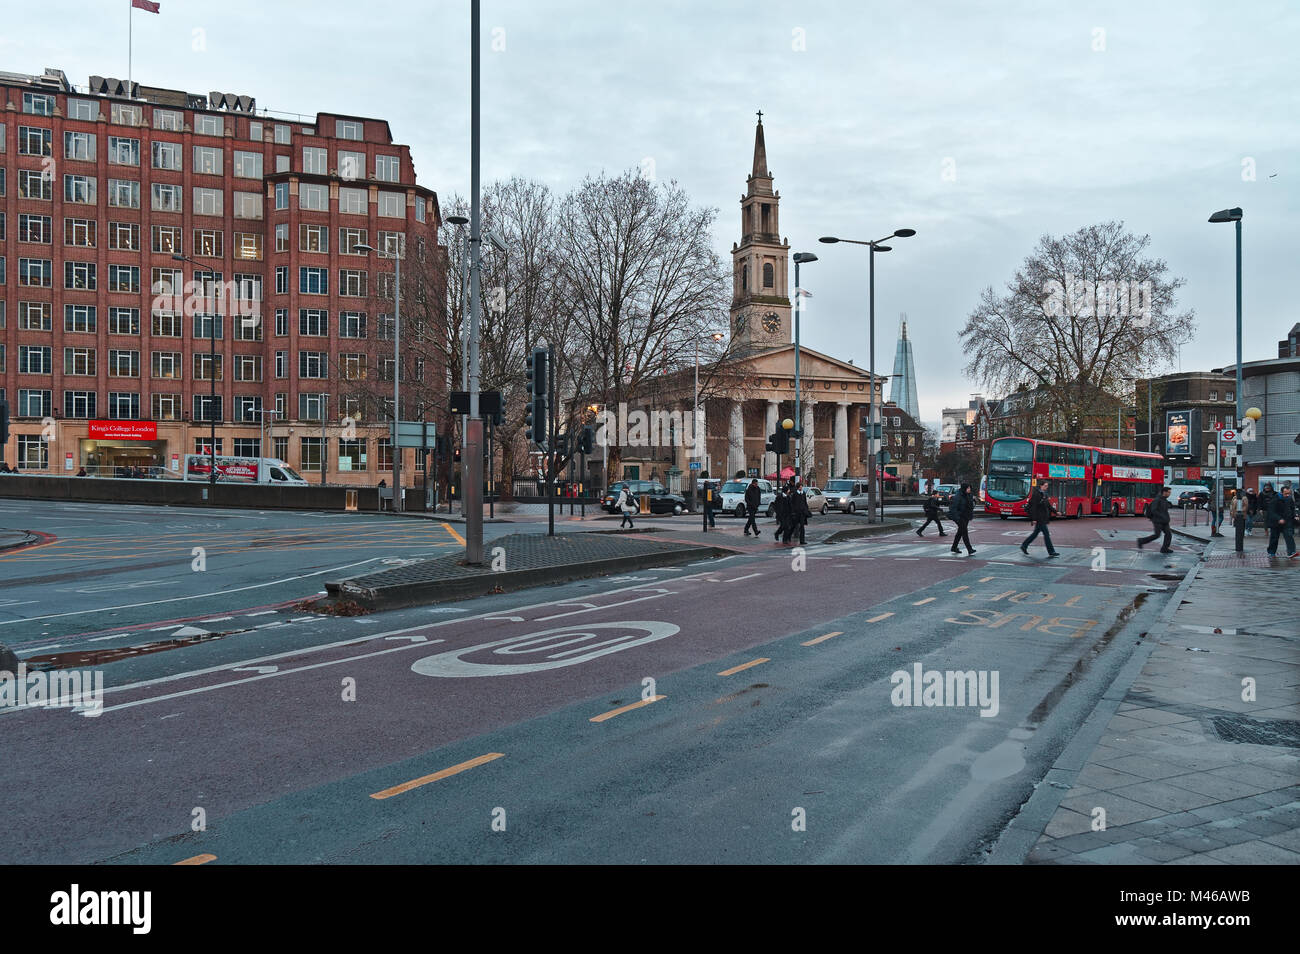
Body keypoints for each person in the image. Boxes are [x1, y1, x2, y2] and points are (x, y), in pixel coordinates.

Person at [1020, 481, 1059, 557]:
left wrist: (1056, 512)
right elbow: (1033, 507)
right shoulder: (1036, 494)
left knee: (1035, 534)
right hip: (1039, 518)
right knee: (1046, 534)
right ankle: (1051, 551)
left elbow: (1048, 505)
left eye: (1047, 486)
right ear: (1041, 486)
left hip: (1042, 517)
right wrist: (1034, 519)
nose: (1046, 487)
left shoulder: (1044, 494)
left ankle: (1024, 546)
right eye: (1045, 486)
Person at [1137, 485, 1174, 553]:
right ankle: (1141, 541)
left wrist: (1166, 518)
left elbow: (1164, 511)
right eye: (1169, 492)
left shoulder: (1165, 500)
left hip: (1164, 521)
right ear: (1164, 492)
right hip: (1157, 521)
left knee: (1168, 534)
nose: (1169, 494)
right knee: (1157, 535)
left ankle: (1164, 548)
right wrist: (1162, 516)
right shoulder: (1157, 500)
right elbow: (1154, 510)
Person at [1265, 484, 1297, 558]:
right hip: (1276, 522)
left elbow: (1292, 508)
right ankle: (1271, 552)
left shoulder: (1289, 499)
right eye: (1286, 493)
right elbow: (1271, 511)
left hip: (1287, 521)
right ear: (1281, 492)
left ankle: (1291, 552)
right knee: (1274, 538)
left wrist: (1295, 515)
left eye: (1289, 493)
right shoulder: (1274, 499)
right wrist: (1279, 518)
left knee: (1289, 536)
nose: (1288, 495)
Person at [950, 482, 976, 555]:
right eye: (968, 488)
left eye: (970, 488)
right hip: (959, 516)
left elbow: (970, 506)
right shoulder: (958, 496)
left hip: (966, 516)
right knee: (964, 532)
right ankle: (969, 549)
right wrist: (957, 518)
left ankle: (954, 547)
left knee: (960, 532)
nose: (969, 489)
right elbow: (953, 508)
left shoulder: (969, 495)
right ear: (964, 488)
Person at [787, 480, 811, 545]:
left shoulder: (803, 493)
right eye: (800, 487)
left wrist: (806, 509)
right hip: (796, 513)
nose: (801, 488)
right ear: (798, 487)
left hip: (802, 513)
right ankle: (788, 537)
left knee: (802, 527)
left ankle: (802, 540)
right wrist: (793, 512)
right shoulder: (795, 494)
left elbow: (805, 502)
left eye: (802, 487)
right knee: (793, 526)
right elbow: (792, 503)